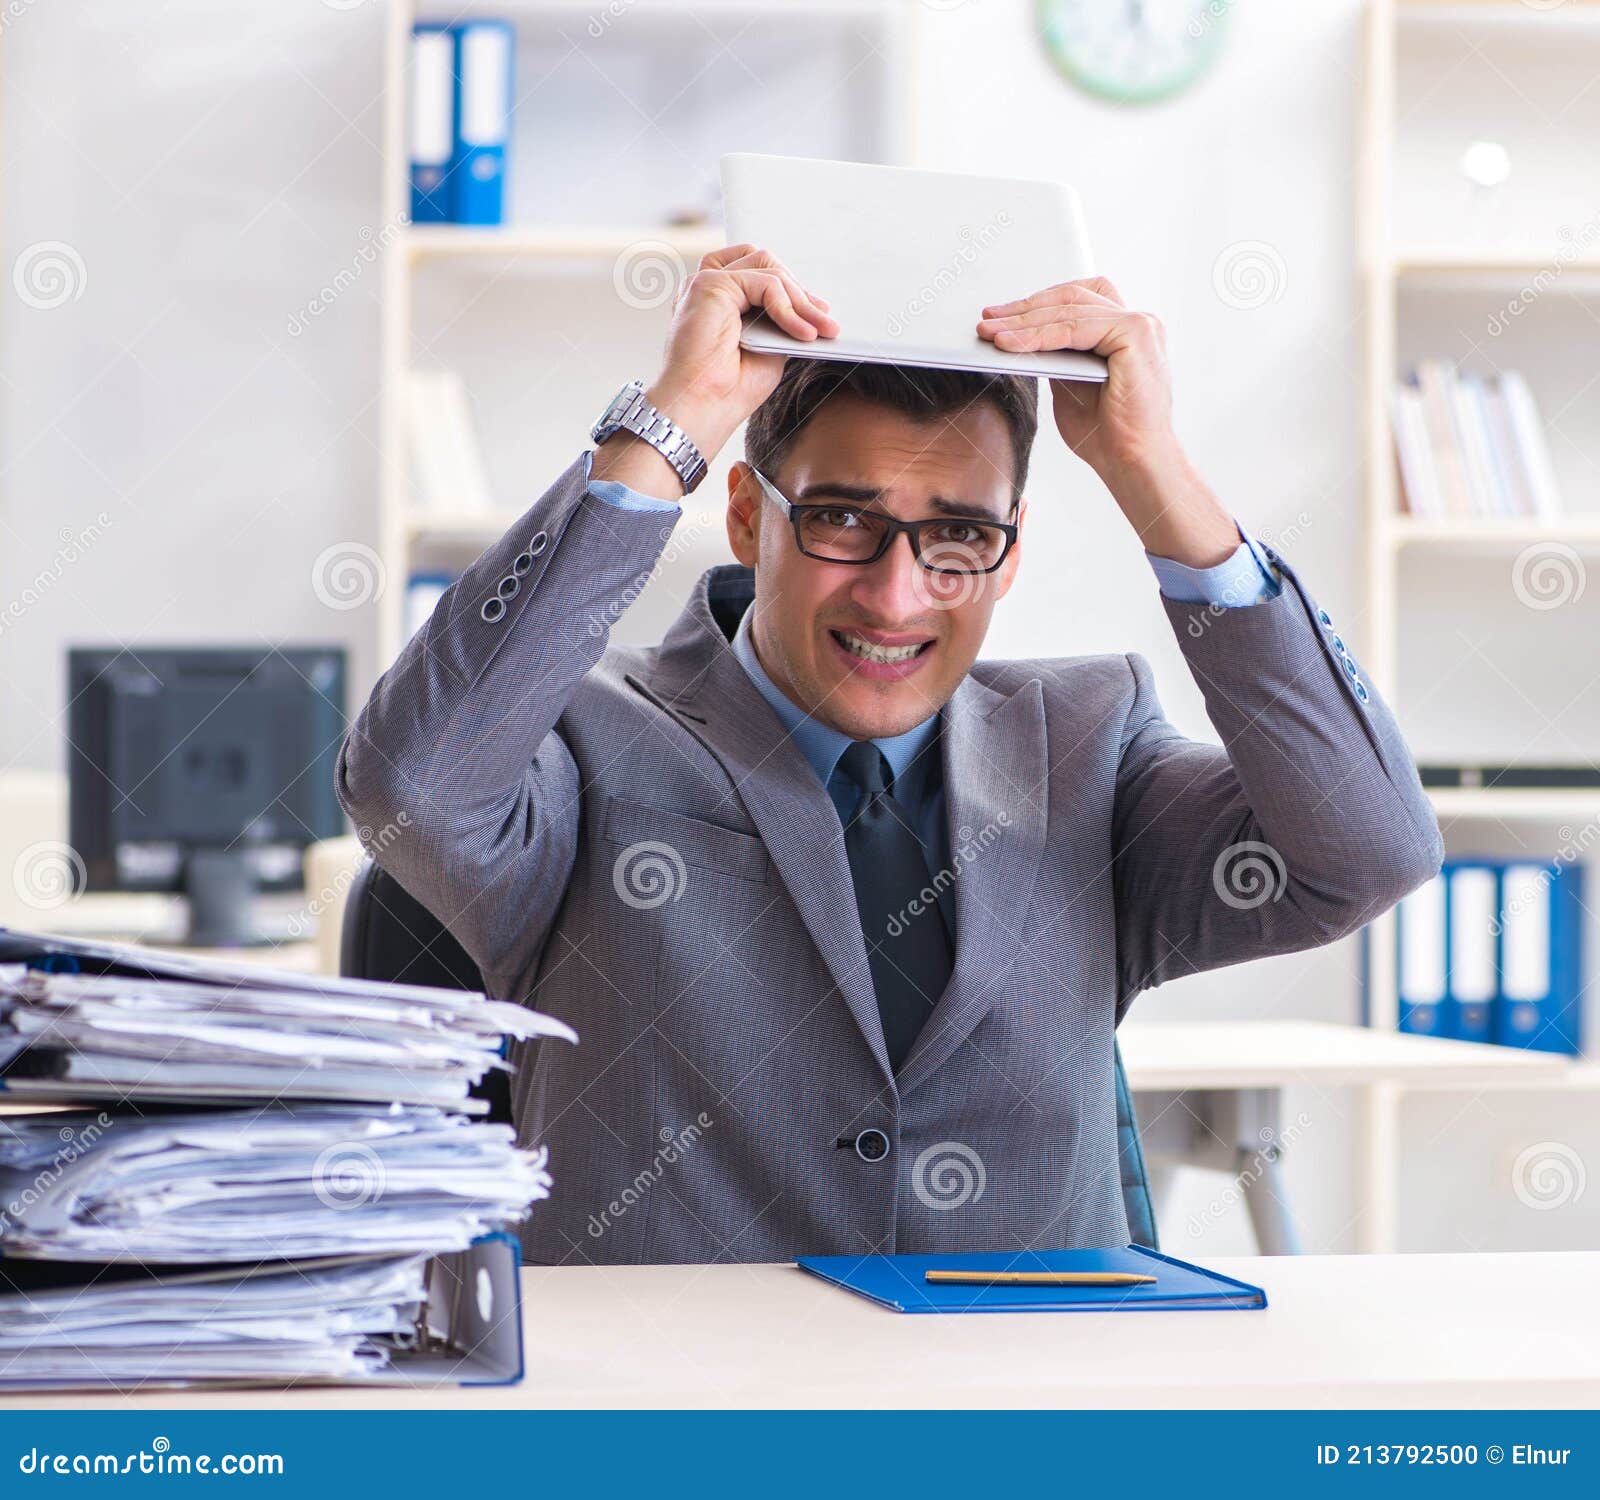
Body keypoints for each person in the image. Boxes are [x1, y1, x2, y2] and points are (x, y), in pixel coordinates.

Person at [338, 245, 1442, 1265]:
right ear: (742, 518)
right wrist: (669, 423)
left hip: (1019, 1416)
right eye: (840, 519)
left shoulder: (1088, 747)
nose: (896, 592)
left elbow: (1367, 852)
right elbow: (413, 788)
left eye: (959, 534)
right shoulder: (582, 740)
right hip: (676, 1417)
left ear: (1008, 556)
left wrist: (1154, 475)